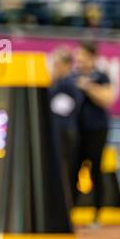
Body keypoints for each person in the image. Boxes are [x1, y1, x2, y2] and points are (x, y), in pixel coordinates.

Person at [72, 41, 115, 225]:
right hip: (76, 131)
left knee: (95, 170)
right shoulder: (73, 76)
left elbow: (107, 99)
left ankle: (97, 214)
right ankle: (69, 212)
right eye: (78, 57)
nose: (80, 61)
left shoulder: (101, 76)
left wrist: (88, 87)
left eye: (83, 57)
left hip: (97, 130)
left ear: (92, 58)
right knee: (73, 170)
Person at [47, 47, 82, 205]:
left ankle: (65, 206)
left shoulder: (69, 83)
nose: (54, 67)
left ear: (66, 65)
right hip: (59, 132)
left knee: (64, 172)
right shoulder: (58, 83)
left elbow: (61, 109)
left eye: (57, 64)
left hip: (64, 134)